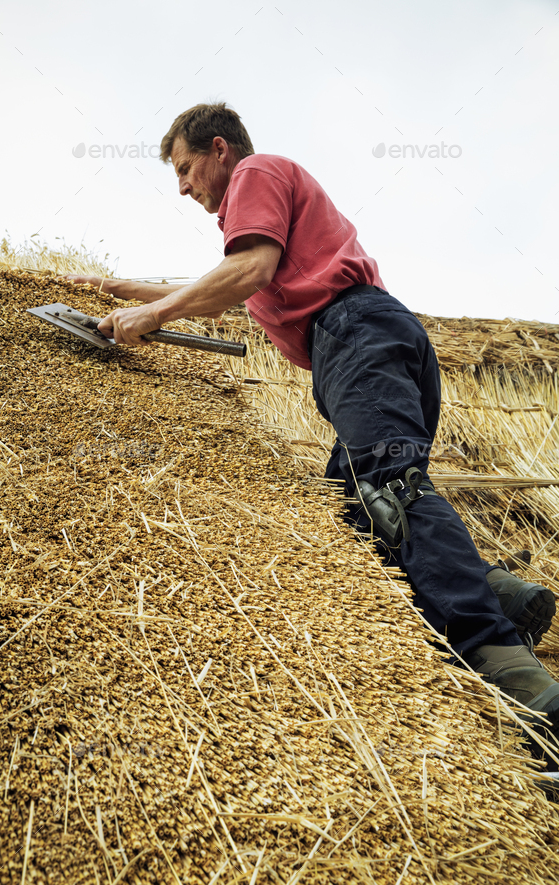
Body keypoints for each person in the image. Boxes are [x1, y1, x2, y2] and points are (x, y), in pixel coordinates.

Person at [68, 102, 559, 758]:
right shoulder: (260, 222)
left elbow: (248, 272)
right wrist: (125, 289)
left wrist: (153, 315)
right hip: (366, 346)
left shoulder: (257, 175)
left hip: (357, 336)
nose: (182, 186)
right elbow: (230, 282)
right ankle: (501, 590)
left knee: (394, 495)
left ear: (220, 149)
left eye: (185, 169)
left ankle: (522, 683)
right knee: (354, 523)